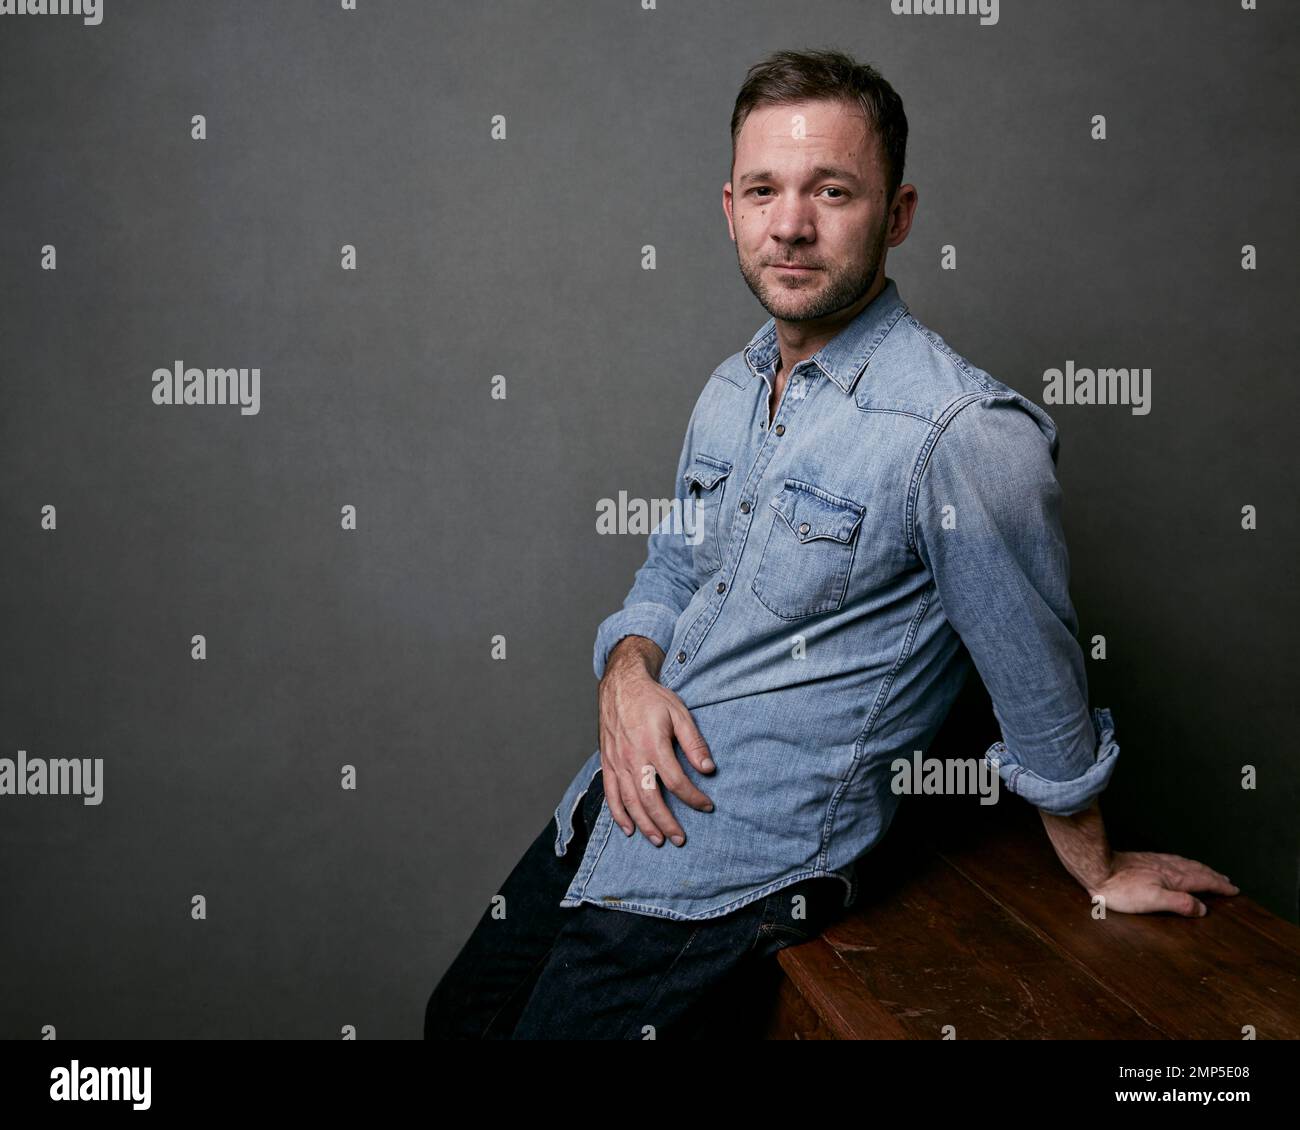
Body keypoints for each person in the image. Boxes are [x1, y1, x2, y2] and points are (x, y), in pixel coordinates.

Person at [423, 47, 1238, 1041]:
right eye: (763, 189)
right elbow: (672, 567)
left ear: (896, 215)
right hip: (606, 813)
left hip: (738, 864)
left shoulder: (962, 433)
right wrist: (626, 671)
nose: (791, 224)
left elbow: (1037, 675)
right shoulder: (729, 388)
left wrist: (1098, 864)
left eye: (832, 190)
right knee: (454, 1018)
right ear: (729, 208)